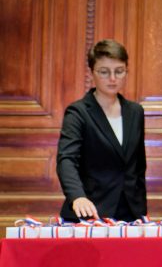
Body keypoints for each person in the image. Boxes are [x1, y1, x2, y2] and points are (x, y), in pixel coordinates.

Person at [57, 39, 147, 223]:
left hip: (130, 212)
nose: (113, 78)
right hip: (91, 210)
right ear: (92, 73)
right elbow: (67, 159)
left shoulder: (135, 112)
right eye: (104, 72)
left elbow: (138, 166)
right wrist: (77, 196)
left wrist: (141, 210)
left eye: (119, 71)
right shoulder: (78, 112)